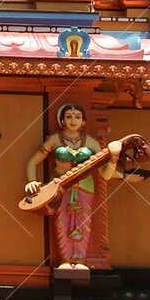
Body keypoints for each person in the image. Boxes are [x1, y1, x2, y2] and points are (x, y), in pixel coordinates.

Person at [24, 104, 121, 271]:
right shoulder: (55, 140)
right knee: (62, 222)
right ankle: (66, 259)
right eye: (69, 116)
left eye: (77, 117)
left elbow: (104, 175)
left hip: (85, 188)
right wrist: (32, 181)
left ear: (83, 122)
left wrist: (113, 159)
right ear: (62, 120)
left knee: (83, 223)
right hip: (60, 188)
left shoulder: (91, 143)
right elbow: (32, 162)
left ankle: (80, 260)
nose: (73, 120)